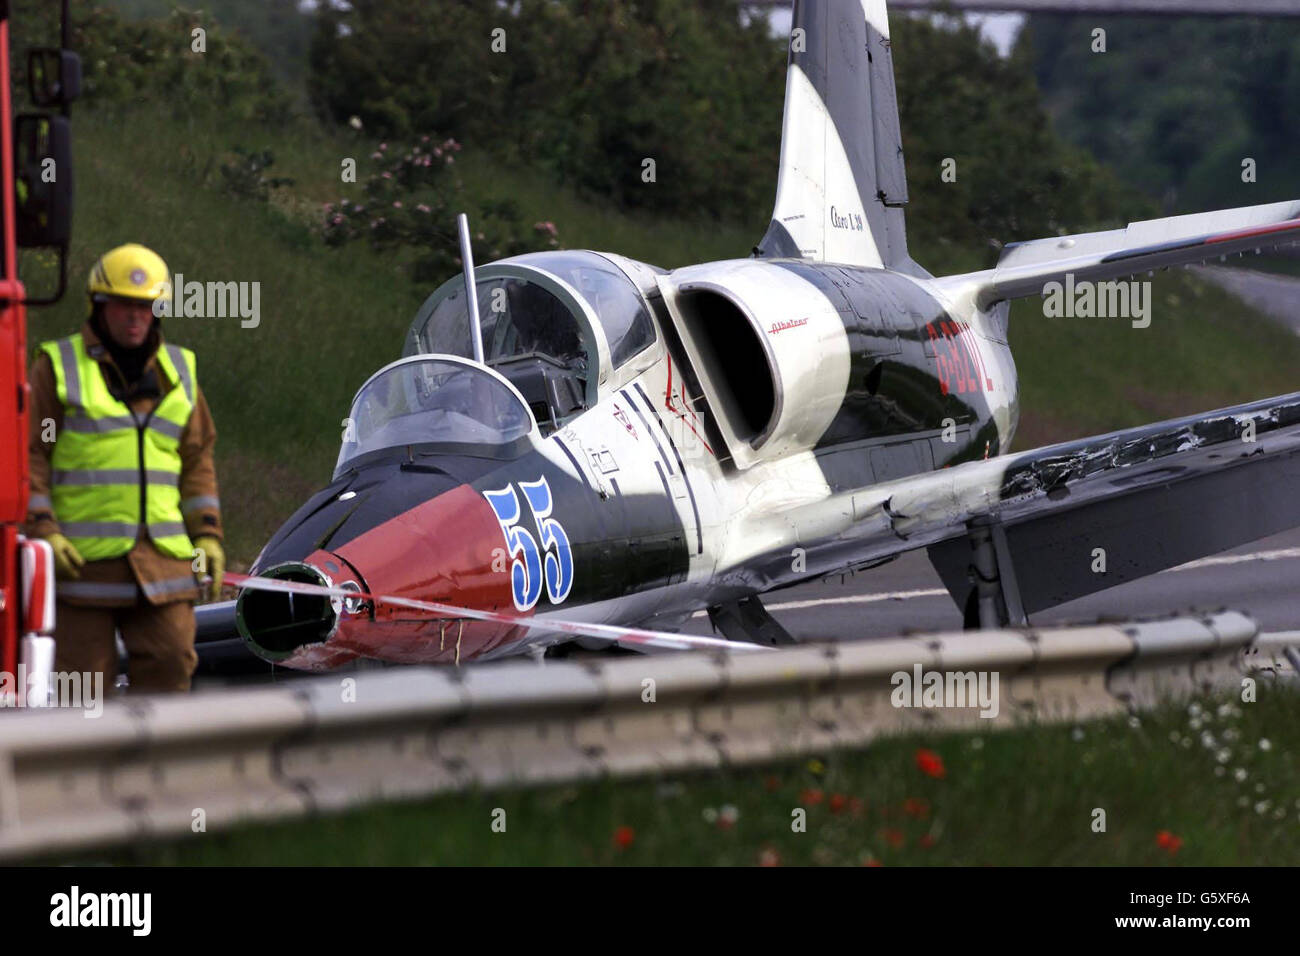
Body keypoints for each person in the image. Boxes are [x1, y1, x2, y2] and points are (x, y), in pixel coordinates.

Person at [25, 243, 224, 693]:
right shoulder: (57, 367)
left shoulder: (179, 370)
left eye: (146, 307)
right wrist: (44, 531)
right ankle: (86, 765)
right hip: (82, 568)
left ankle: (154, 764)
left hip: (163, 565)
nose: (136, 318)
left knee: (172, 664)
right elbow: (32, 454)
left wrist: (208, 535)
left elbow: (196, 459)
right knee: (82, 690)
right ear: (99, 306)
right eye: (123, 306)